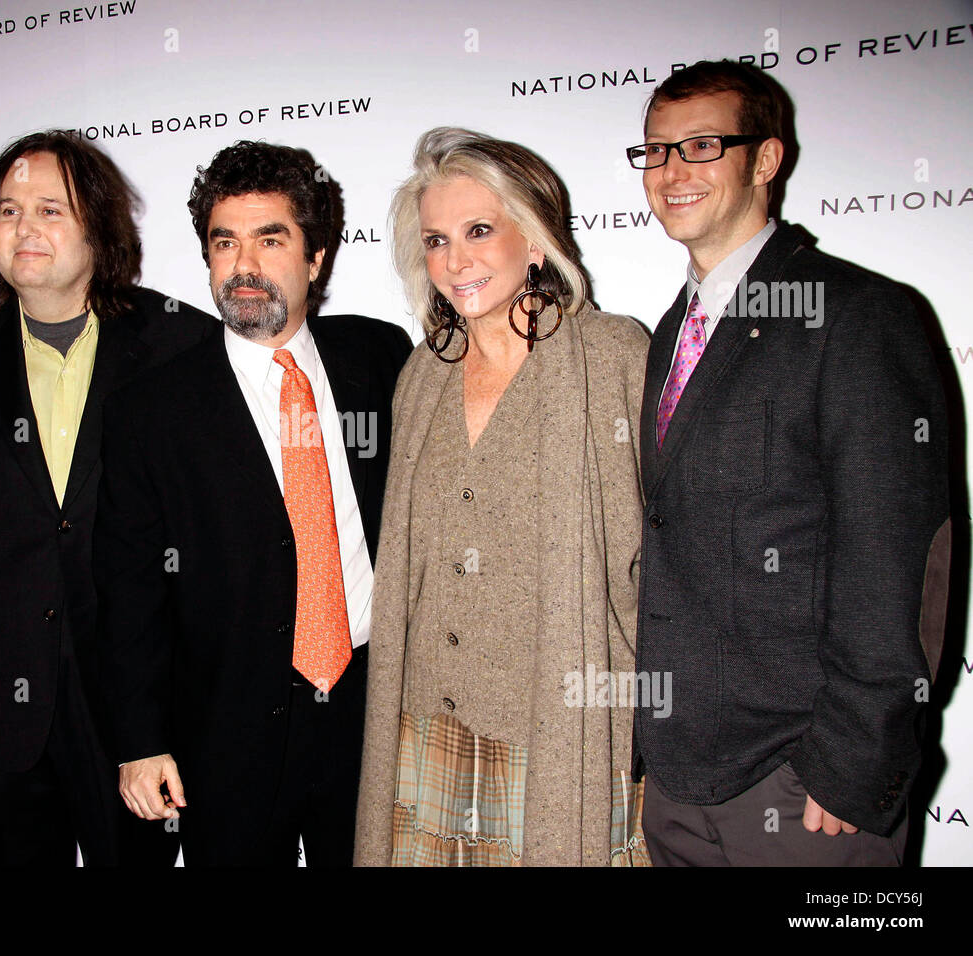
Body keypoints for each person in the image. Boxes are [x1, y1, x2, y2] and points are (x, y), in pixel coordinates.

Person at [626, 60, 950, 865]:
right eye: (656, 152)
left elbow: (901, 557)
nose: (672, 172)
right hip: (677, 774)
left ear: (765, 160)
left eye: (702, 146)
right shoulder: (671, 333)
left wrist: (851, 764)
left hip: (802, 783)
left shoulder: (858, 314)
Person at [0, 131, 216, 867]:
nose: (24, 229)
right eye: (8, 211)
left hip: (134, 703)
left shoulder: (177, 341)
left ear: (99, 228)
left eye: (49, 210)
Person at [100, 140, 412, 866]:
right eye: (224, 242)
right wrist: (140, 743)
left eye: (271, 239)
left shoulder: (380, 359)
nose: (244, 265)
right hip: (224, 728)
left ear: (316, 258)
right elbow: (128, 590)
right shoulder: (151, 409)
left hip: (370, 712)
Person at [353, 128, 650, 867]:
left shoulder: (614, 355)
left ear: (537, 238)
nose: (456, 260)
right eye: (436, 240)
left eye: (479, 230)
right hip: (429, 730)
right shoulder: (422, 375)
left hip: (563, 731)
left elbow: (657, 557)